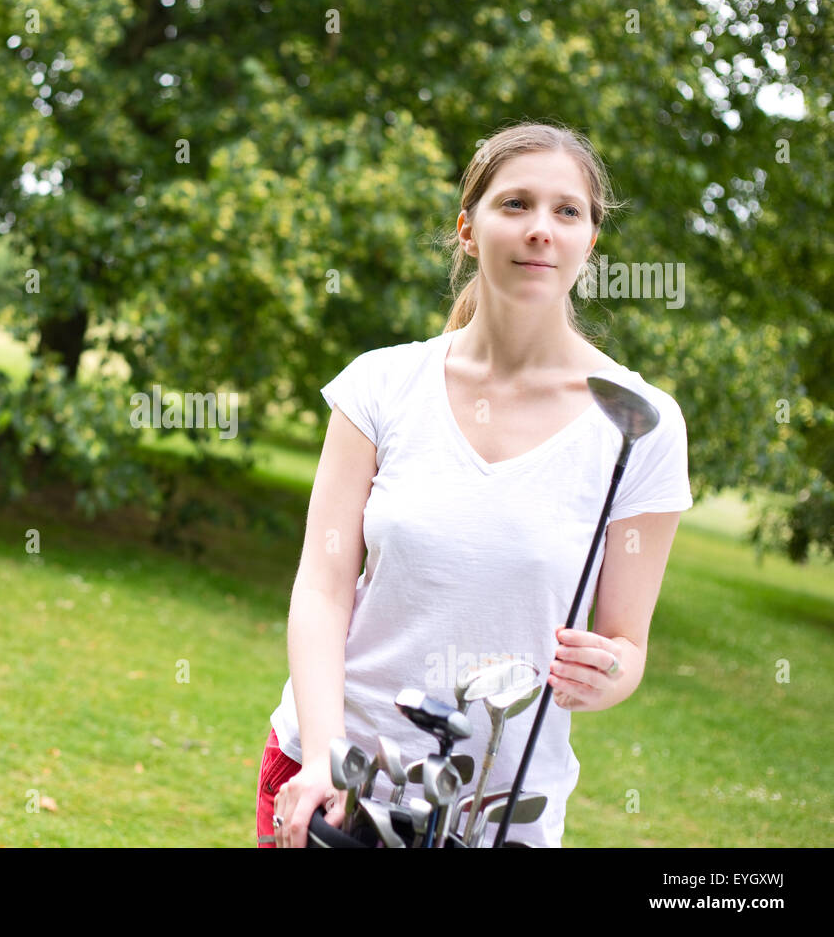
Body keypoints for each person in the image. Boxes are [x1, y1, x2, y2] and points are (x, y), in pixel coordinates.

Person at [256, 120, 693, 848]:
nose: (540, 228)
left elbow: (626, 646)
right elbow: (323, 588)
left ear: (590, 242)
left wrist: (607, 673)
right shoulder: (380, 385)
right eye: (515, 204)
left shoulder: (640, 424)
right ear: (467, 229)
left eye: (567, 211)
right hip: (329, 781)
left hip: (495, 812)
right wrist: (327, 756)